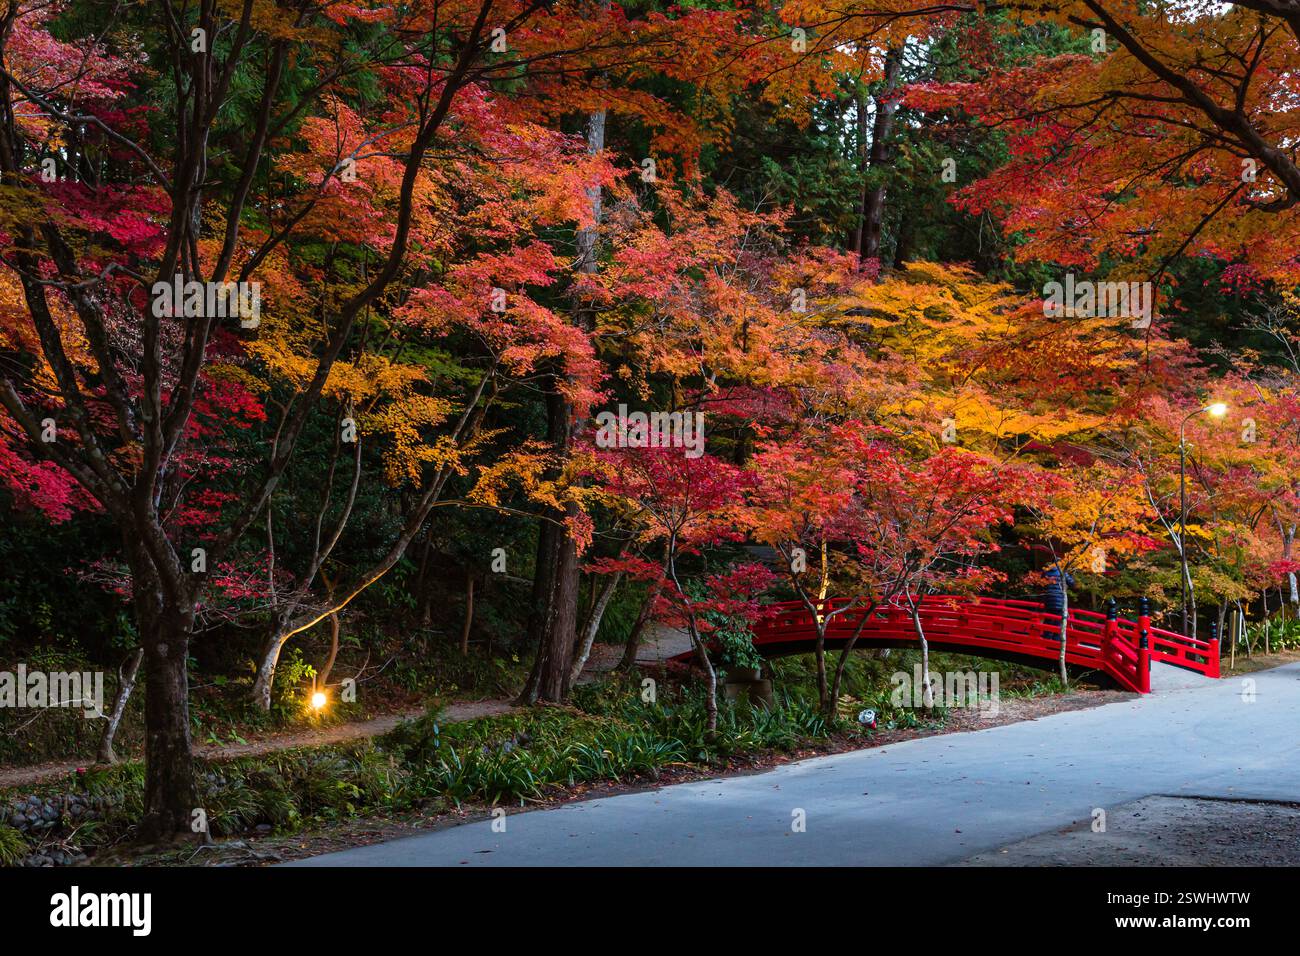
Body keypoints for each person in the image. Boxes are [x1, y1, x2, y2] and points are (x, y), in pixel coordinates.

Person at [1041, 567, 1075, 640]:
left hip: (1049, 600)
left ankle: (1046, 638)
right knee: (1058, 622)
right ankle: (1056, 640)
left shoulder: (1046, 572)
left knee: (1048, 620)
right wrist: (1071, 576)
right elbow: (1072, 583)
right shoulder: (1063, 572)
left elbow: (1041, 583)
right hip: (1060, 601)